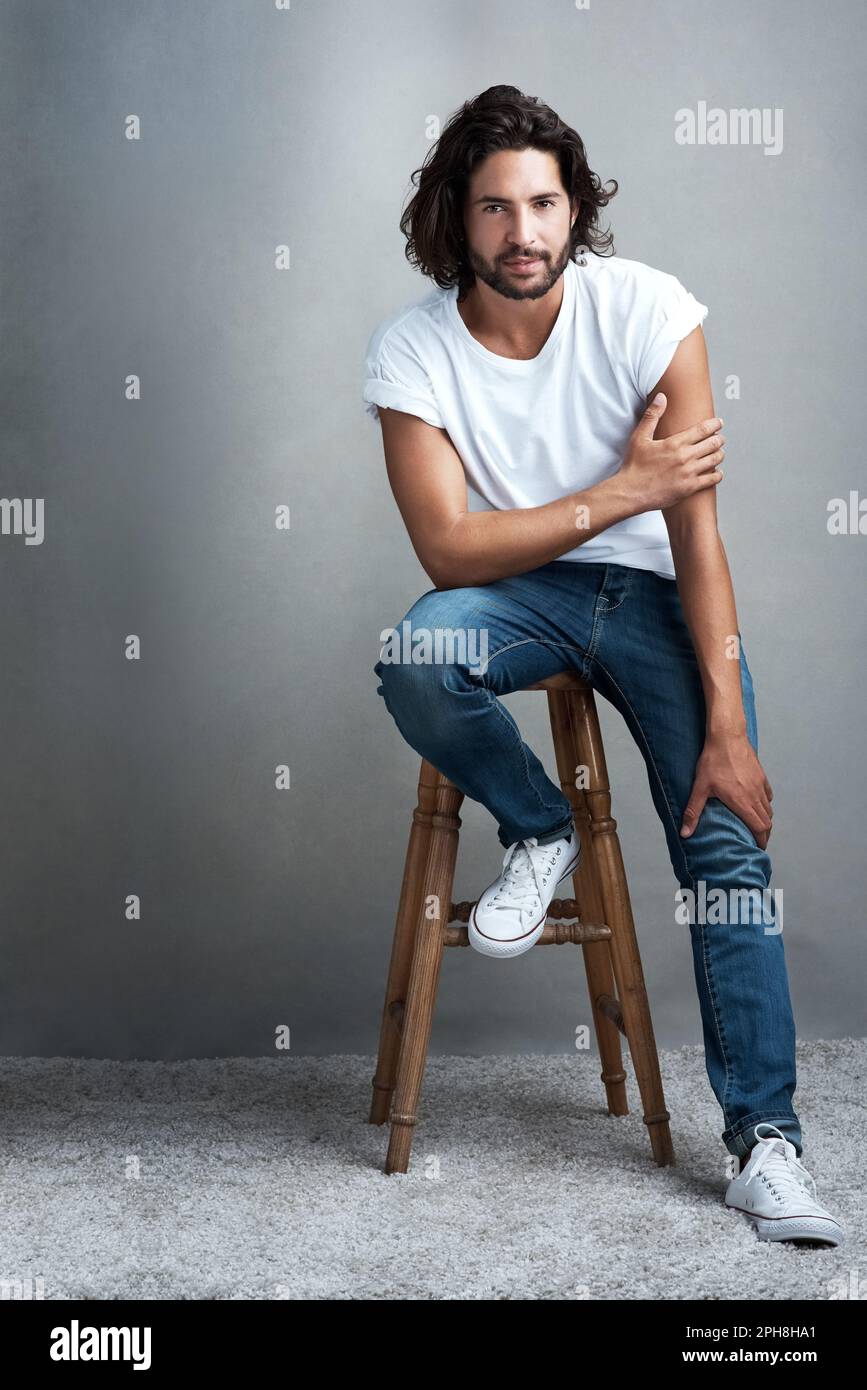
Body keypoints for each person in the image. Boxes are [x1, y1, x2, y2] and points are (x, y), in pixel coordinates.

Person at [362, 84, 843, 1247]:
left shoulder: (650, 310)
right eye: (494, 209)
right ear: (454, 219)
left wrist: (726, 718)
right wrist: (623, 489)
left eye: (543, 203)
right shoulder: (413, 350)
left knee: (724, 830)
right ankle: (540, 824)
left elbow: (697, 530)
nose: (522, 232)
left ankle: (764, 1145)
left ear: (575, 207)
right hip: (520, 591)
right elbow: (448, 548)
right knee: (421, 648)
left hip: (662, 599)